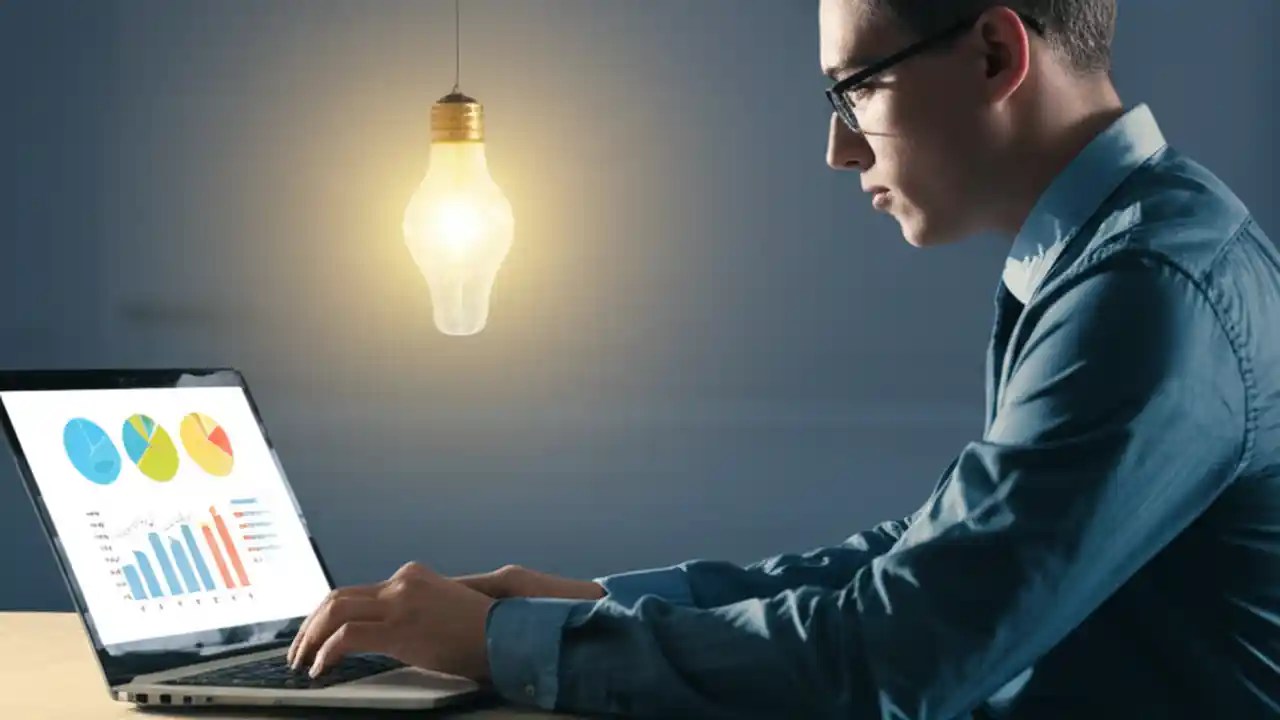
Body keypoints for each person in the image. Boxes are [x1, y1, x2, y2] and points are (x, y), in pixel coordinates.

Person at [287, 1, 1280, 716]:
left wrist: (507, 647)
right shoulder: (1118, 256)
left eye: (852, 89)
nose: (838, 151)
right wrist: (599, 604)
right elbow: (931, 558)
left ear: (990, 52)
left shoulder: (1145, 293)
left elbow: (899, 652)